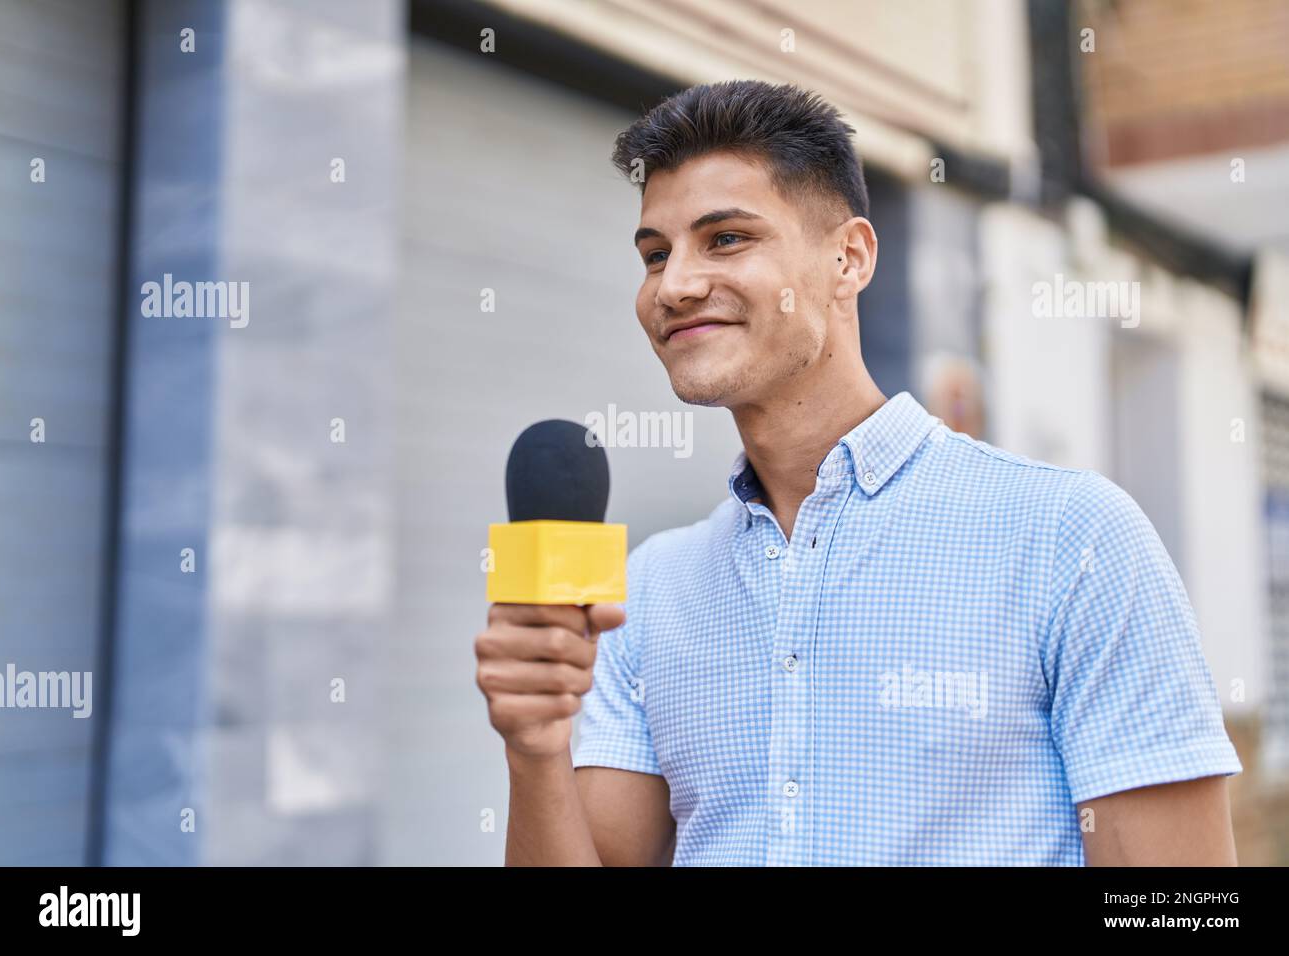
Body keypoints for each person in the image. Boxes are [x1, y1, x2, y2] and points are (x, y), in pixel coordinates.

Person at [474, 79, 1242, 866]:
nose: (674, 286)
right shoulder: (650, 592)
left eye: (727, 239)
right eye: (655, 255)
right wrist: (534, 747)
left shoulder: (1071, 540)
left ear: (850, 257)